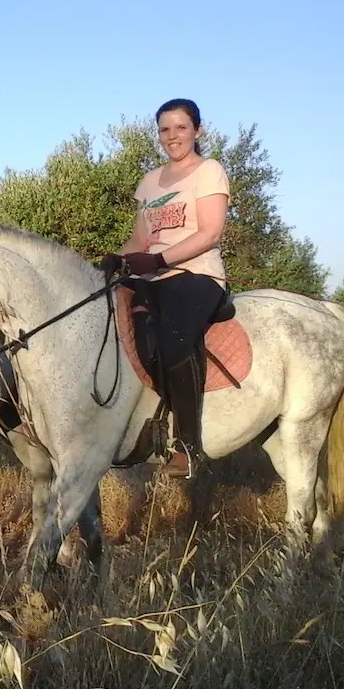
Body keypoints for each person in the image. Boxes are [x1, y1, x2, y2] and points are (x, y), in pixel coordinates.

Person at [102, 98, 231, 479]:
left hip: (197, 275)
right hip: (151, 277)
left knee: (174, 337)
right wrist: (115, 261)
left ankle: (188, 446)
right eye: (164, 129)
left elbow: (210, 232)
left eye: (180, 128)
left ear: (197, 130)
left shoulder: (209, 172)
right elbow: (140, 238)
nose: (172, 136)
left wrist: (158, 261)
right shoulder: (150, 181)